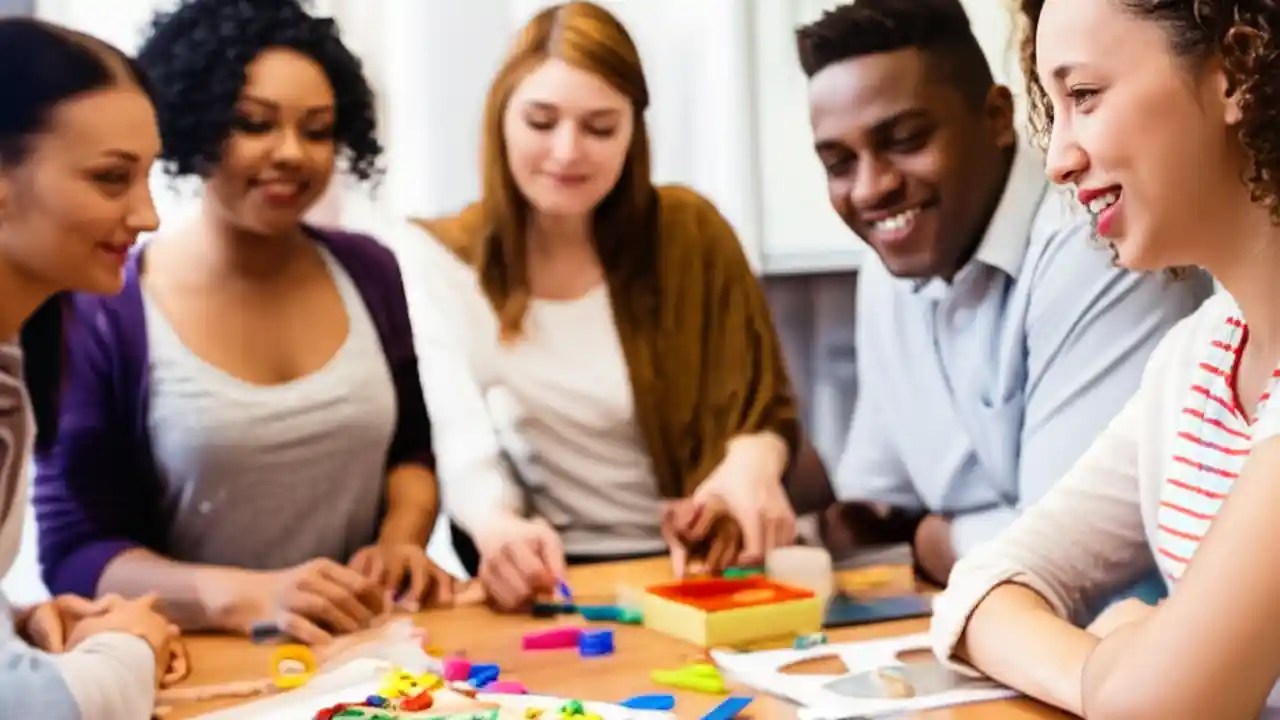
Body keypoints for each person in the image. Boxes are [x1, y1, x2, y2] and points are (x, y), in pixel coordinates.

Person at [33, 0, 453, 647]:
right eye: (254, 124)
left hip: (366, 656)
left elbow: (410, 450)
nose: (291, 153)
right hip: (195, 663)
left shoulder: (369, 270)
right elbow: (78, 553)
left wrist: (401, 539)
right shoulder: (105, 304)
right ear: (192, 125)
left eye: (317, 130)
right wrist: (247, 595)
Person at [932, 0, 1280, 717]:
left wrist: (1147, 674)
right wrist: (1115, 669)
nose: (1057, 160)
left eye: (1084, 96)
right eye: (1052, 108)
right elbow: (981, 588)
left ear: (1236, 73)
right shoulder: (1197, 361)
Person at [394, 0, 801, 611]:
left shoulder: (691, 234)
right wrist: (497, 527)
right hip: (560, 578)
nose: (567, 151)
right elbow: (461, 440)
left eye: (600, 127)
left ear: (634, 132)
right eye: (541, 121)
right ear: (500, 118)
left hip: (706, 569)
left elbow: (761, 412)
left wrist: (749, 468)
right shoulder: (442, 260)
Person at [794, 0, 1213, 585]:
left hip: (1104, 636)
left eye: (907, 139)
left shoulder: (1104, 235)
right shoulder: (892, 263)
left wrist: (937, 539)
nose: (871, 189)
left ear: (996, 117)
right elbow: (877, 507)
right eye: (838, 163)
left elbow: (1065, 558)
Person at [0, 17, 181, 719]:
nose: (148, 215)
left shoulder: (22, 353)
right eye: (111, 178)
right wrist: (129, 646)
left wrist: (16, 623)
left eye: (147, 176)